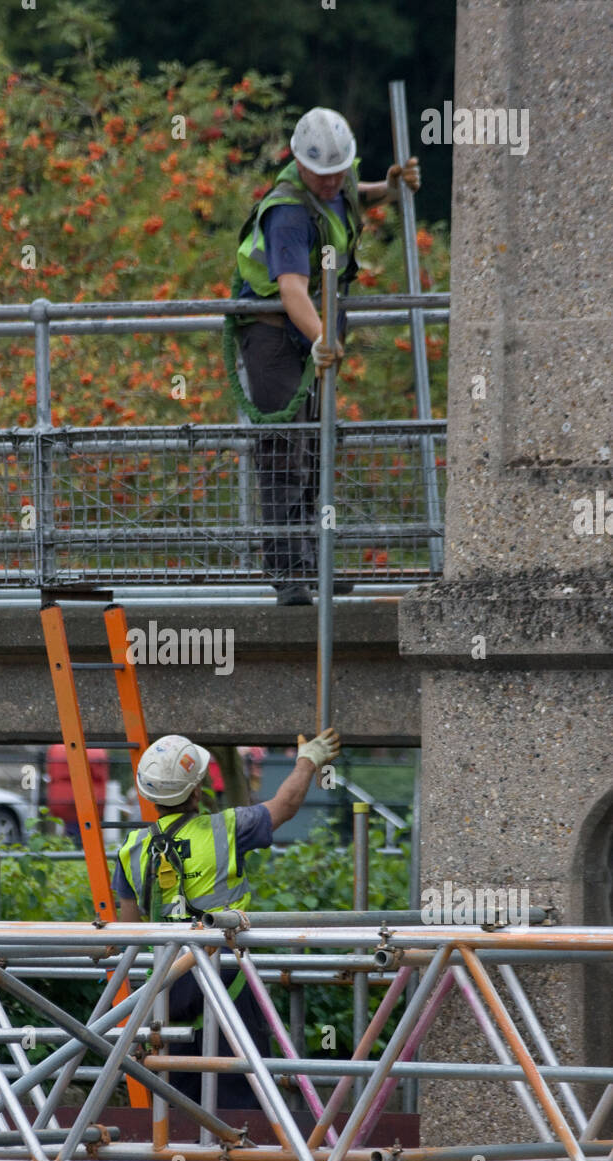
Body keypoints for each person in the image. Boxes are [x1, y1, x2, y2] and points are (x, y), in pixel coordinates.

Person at [234, 107, 421, 605]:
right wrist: (324, 339)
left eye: (339, 171)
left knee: (315, 449)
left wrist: (388, 187)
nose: (332, 181)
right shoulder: (289, 212)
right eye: (323, 174)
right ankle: (289, 573)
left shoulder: (335, 182)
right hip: (273, 334)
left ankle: (313, 563)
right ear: (301, 165)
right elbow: (293, 289)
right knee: (284, 449)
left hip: (310, 337)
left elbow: (348, 198)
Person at [112, 729, 340, 1108]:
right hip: (228, 980)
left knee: (175, 1101)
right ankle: (238, 1157)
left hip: (166, 988)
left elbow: (129, 932)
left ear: (149, 796)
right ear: (196, 790)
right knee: (241, 1093)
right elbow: (285, 805)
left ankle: (178, 1160)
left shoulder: (131, 850)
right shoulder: (227, 829)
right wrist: (308, 760)